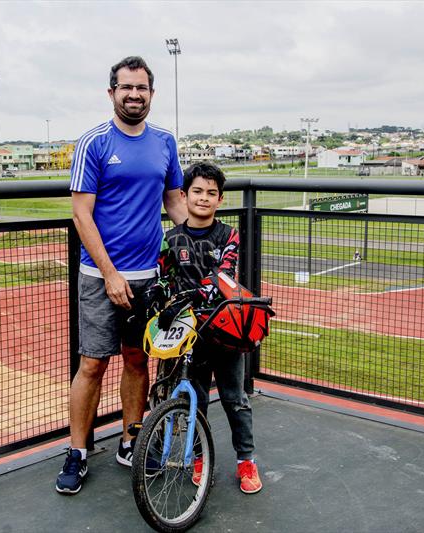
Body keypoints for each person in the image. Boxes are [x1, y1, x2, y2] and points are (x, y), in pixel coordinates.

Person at [56, 56, 187, 495]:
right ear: (111, 92)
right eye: (126, 87)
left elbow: (174, 200)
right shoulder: (93, 142)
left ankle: (131, 439)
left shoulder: (166, 142)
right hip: (100, 277)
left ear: (151, 93)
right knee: (92, 364)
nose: (135, 95)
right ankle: (77, 452)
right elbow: (81, 213)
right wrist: (110, 273)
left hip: (149, 275)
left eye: (142, 88)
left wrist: (198, 241)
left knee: (137, 359)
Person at [155, 161, 263, 494]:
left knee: (236, 399)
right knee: (195, 402)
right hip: (191, 337)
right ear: (184, 196)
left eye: (211, 193)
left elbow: (222, 274)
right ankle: (199, 457)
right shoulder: (170, 238)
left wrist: (191, 297)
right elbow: (163, 279)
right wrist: (159, 300)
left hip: (227, 331)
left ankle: (246, 461)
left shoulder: (229, 234)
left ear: (220, 200)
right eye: (197, 192)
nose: (204, 198)